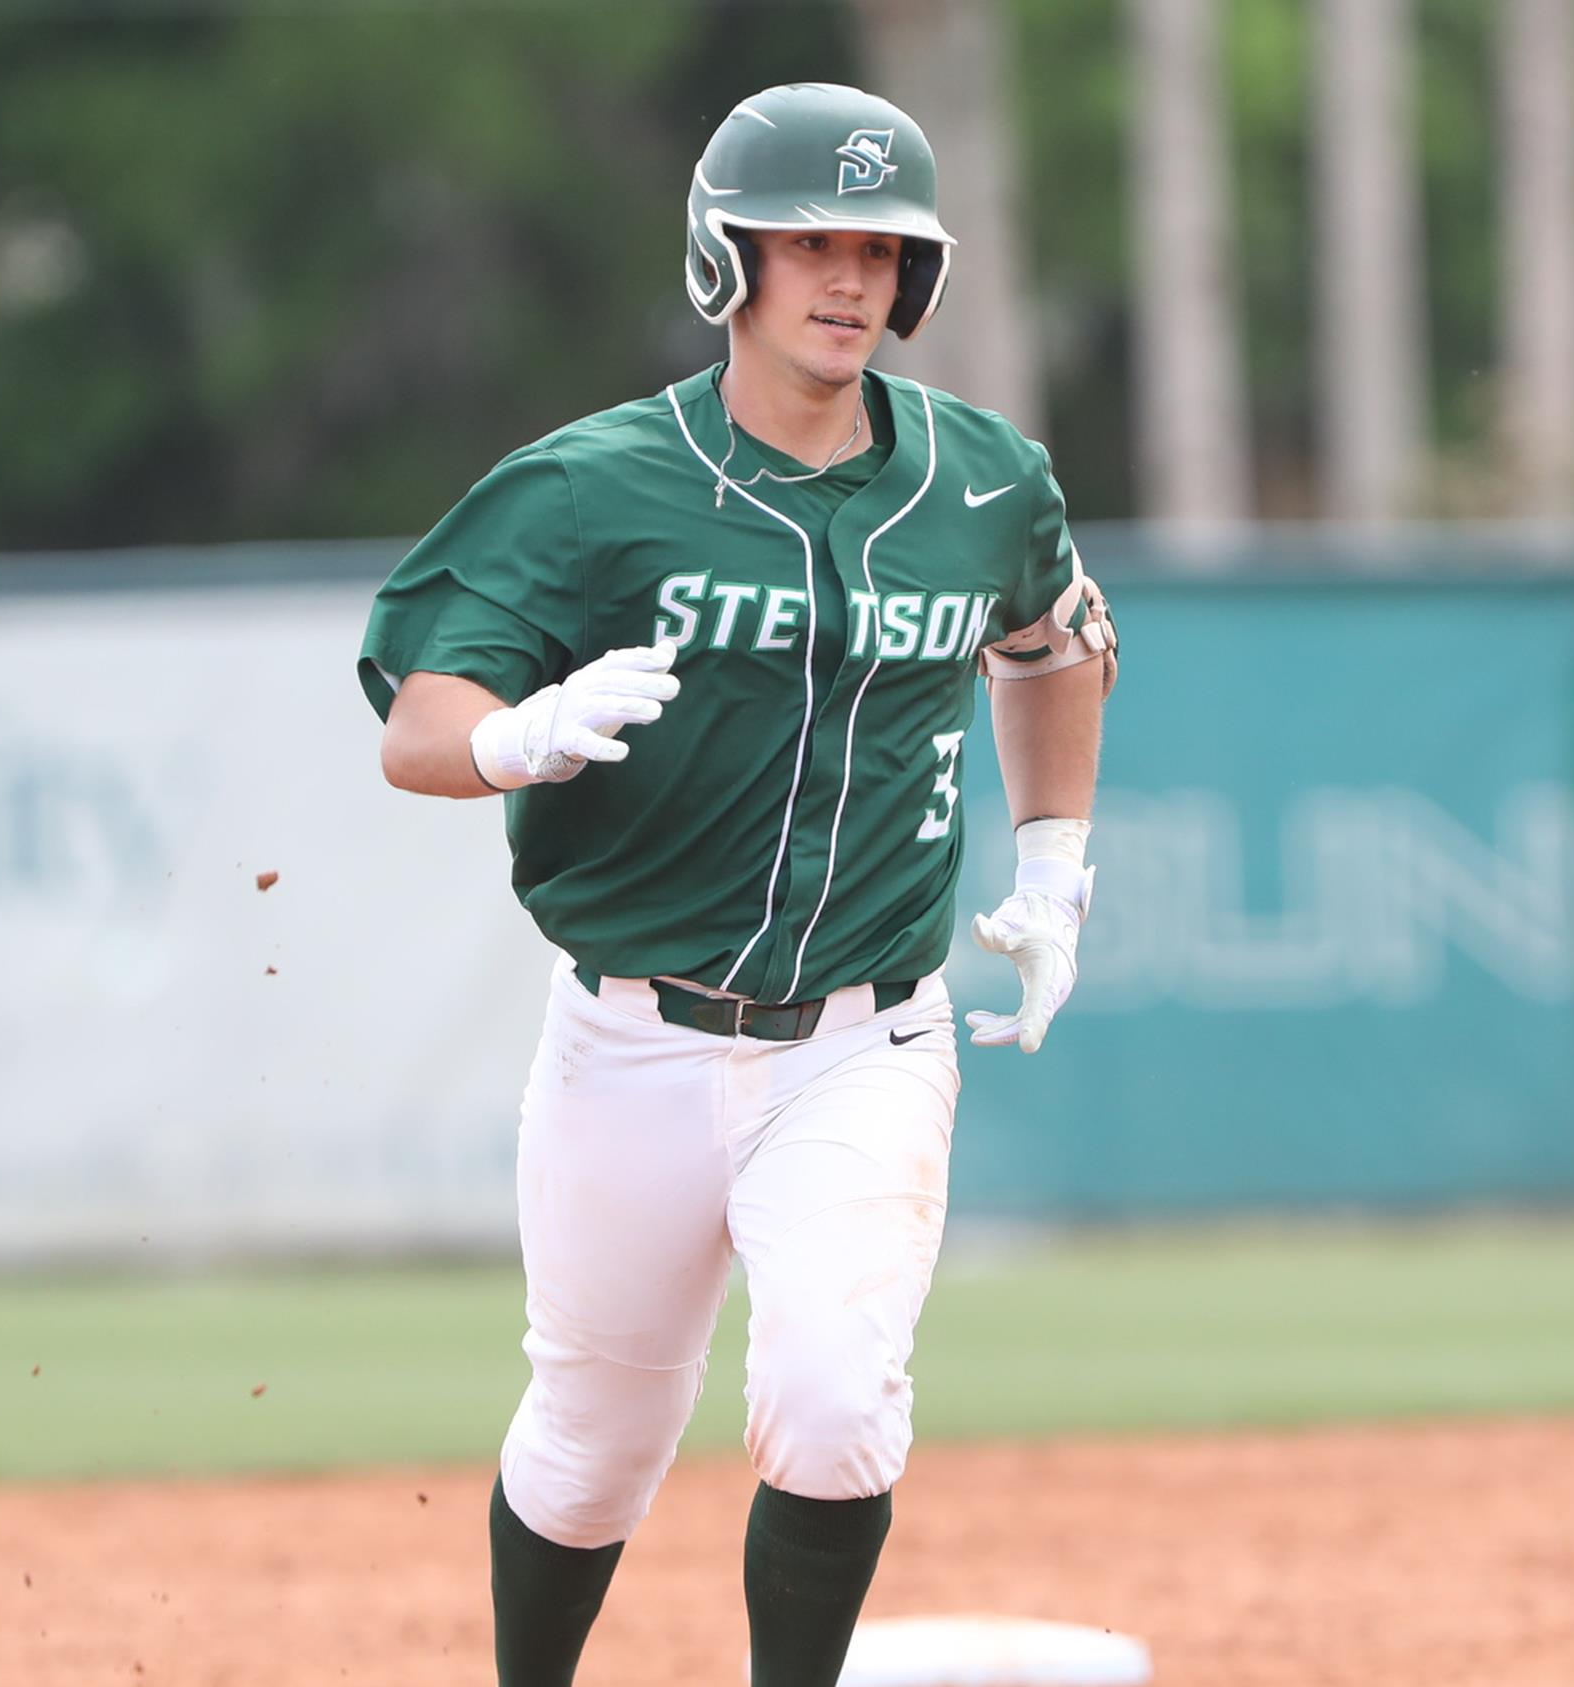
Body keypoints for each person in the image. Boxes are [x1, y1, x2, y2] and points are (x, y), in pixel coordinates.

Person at [356, 81, 1114, 1687]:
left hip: (864, 1038)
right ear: (729, 258)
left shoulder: (986, 481)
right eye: (811, 243)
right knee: (592, 1446)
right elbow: (417, 724)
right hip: (629, 1040)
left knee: (835, 1404)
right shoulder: (590, 486)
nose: (850, 279)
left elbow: (1055, 645)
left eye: (882, 250)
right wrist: (512, 740)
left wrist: (1056, 862)